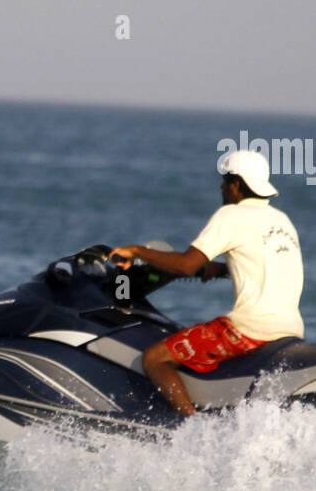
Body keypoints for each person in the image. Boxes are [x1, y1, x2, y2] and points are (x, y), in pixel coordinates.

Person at [109, 150, 304, 416]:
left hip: (251, 329)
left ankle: (191, 427)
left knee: (155, 358)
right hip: (290, 328)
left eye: (225, 181)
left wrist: (136, 251)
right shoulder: (282, 221)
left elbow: (184, 264)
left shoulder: (231, 215)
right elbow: (261, 265)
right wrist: (219, 269)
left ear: (237, 184)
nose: (222, 187)